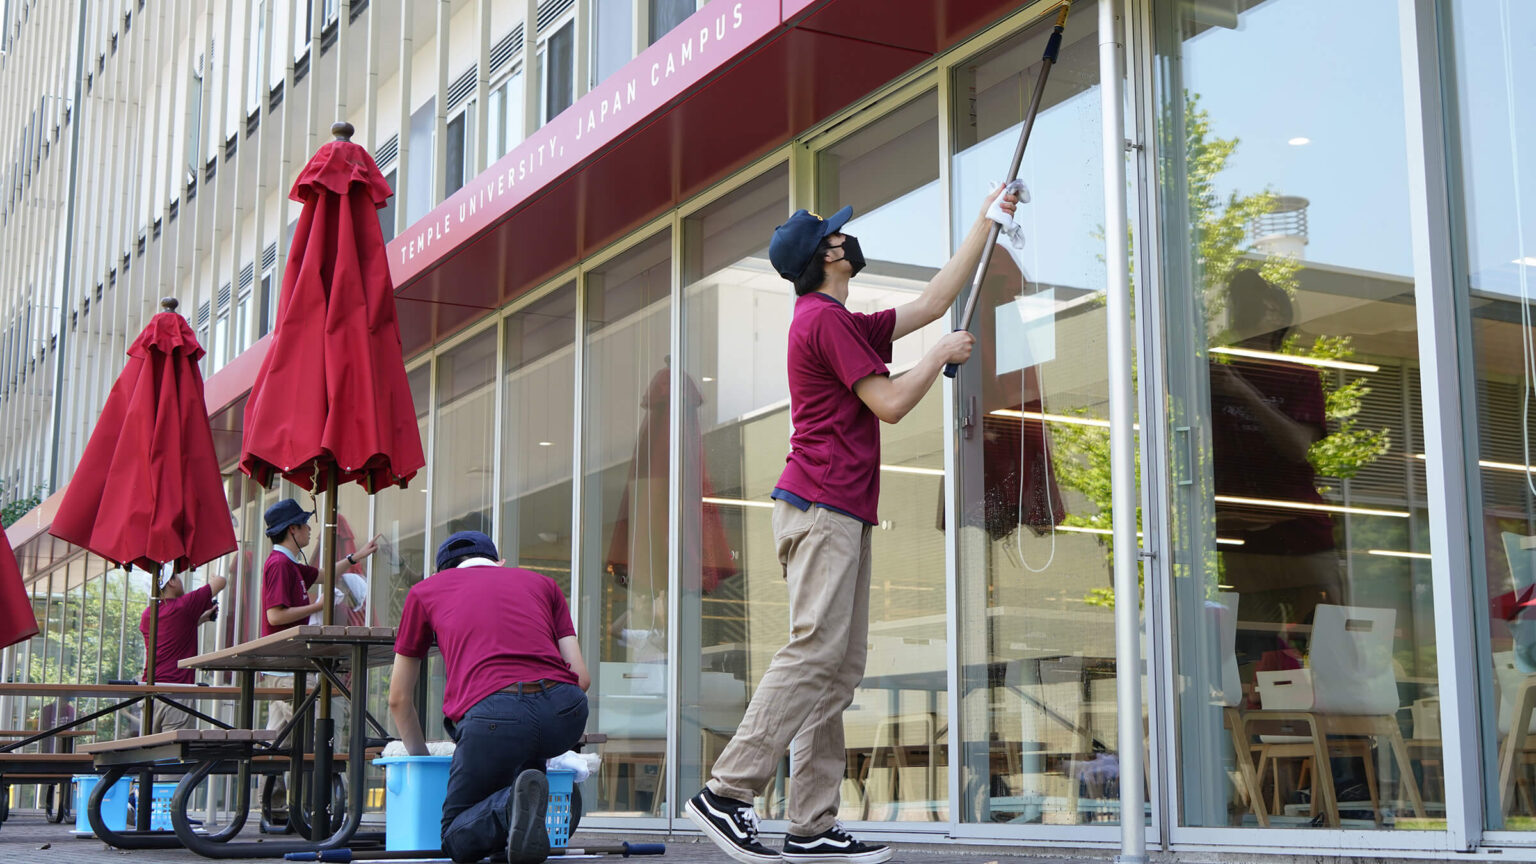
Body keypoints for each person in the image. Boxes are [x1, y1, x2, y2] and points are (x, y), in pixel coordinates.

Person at [686, 187, 1016, 864]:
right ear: (825, 256)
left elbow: (927, 304)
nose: (847, 239)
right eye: (836, 236)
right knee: (814, 653)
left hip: (838, 510)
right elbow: (891, 401)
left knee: (837, 668)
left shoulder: (839, 319)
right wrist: (937, 356)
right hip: (822, 506)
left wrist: (987, 221)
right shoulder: (822, 322)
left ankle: (810, 823)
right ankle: (726, 792)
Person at [388, 531, 590, 864]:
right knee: (524, 764)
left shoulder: (426, 592)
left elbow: (397, 698)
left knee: (454, 837)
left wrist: (421, 760)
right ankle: (534, 811)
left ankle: (512, 807)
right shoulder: (544, 585)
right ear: (500, 563)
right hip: (565, 711)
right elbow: (581, 677)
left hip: (494, 717)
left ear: (443, 573)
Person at [259, 498, 380, 733]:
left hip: (283, 668)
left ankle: (266, 770)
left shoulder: (287, 563)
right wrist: (318, 606)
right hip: (287, 670)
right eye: (304, 523)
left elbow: (323, 575)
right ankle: (324, 771)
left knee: (277, 744)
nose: (309, 528)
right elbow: (274, 616)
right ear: (292, 529)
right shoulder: (280, 564)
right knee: (313, 737)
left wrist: (356, 557)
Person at [139, 568, 227, 732]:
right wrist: (214, 575)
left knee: (148, 751)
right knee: (174, 753)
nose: (180, 580)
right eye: (177, 576)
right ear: (170, 582)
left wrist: (202, 618)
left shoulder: (148, 614)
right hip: (177, 694)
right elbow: (221, 581)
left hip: (149, 691)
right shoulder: (184, 605)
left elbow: (174, 632)